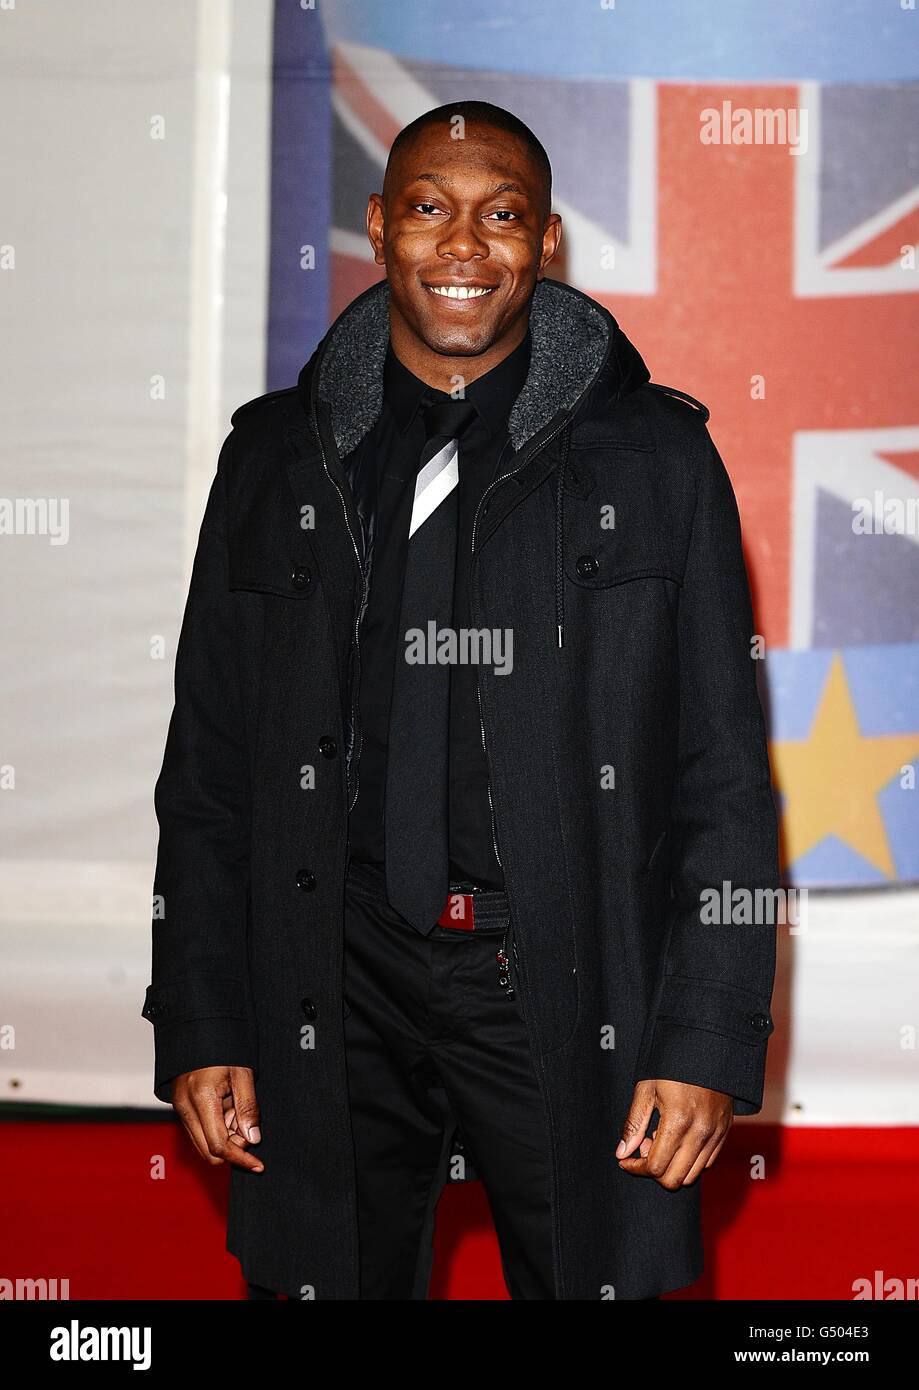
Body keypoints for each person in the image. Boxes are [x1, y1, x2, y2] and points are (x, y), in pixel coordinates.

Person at [142, 100, 779, 1301]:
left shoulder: (657, 463)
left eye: (502, 215)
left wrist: (704, 1039)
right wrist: (205, 1014)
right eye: (431, 209)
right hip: (330, 976)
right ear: (380, 227)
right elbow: (212, 767)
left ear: (546, 245)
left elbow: (724, 779)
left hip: (562, 975)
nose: (464, 246)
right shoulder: (275, 459)